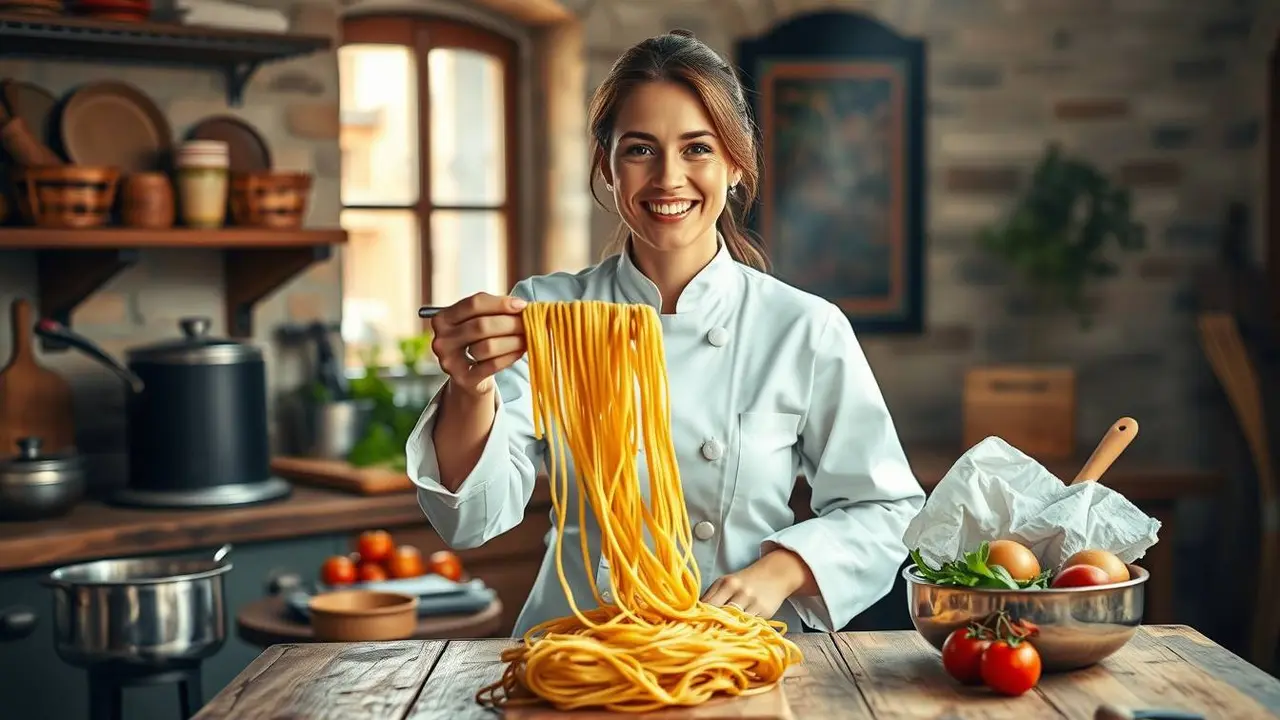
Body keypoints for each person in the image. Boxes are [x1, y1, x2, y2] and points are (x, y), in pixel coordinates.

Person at [406, 29, 926, 638]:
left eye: (698, 149)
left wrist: (782, 570)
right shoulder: (548, 312)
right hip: (575, 645)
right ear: (607, 166)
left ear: (736, 164)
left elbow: (887, 508)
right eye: (640, 150)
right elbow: (469, 522)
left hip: (734, 646)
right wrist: (471, 389)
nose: (668, 178)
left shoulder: (802, 328)